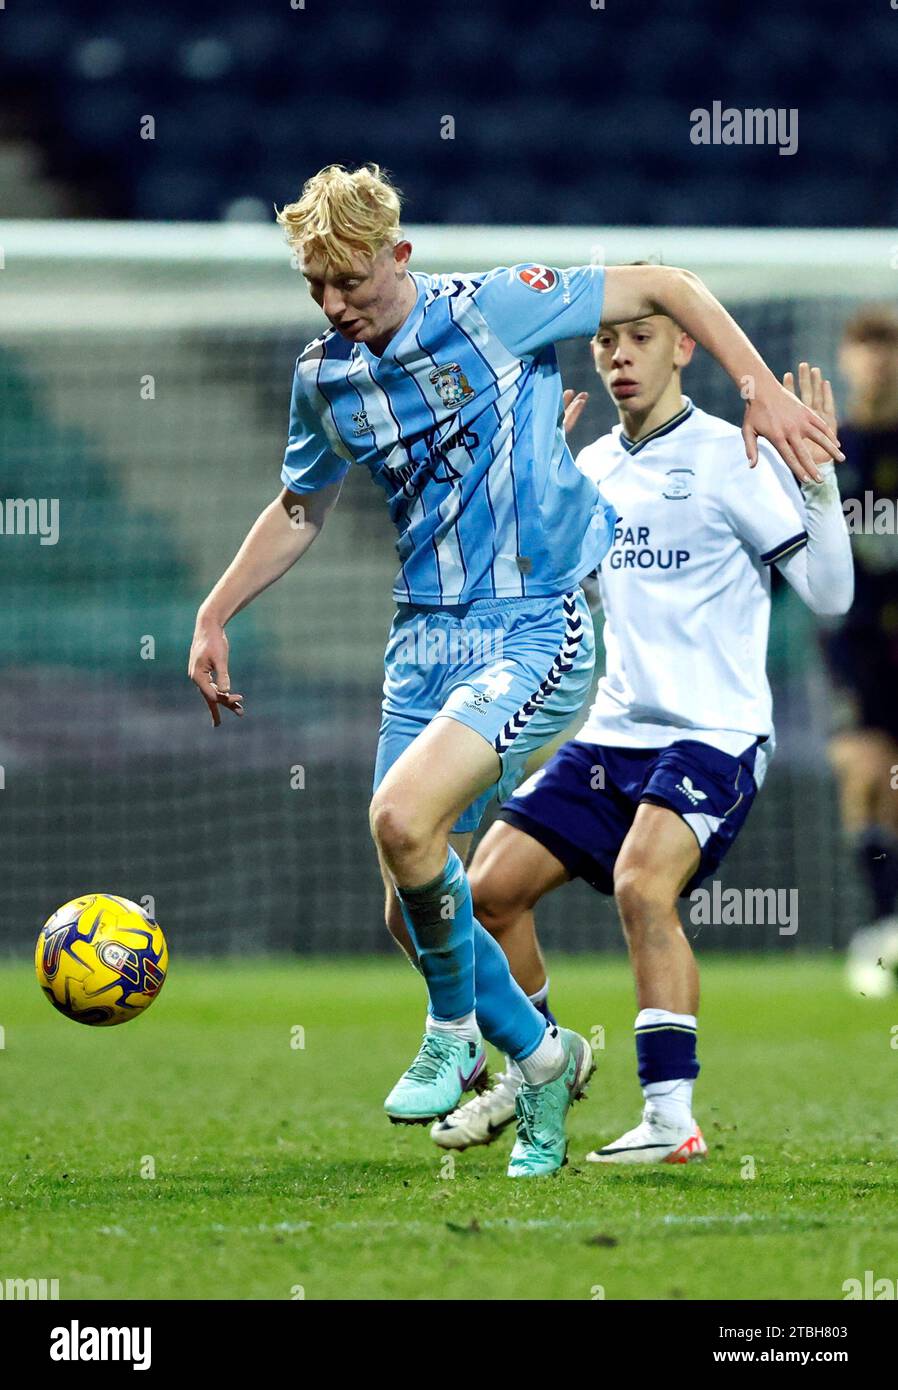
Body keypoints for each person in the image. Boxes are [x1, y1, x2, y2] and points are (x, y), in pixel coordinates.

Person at [188, 163, 841, 1178]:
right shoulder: (325, 376)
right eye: (316, 288)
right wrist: (215, 609)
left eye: (350, 282)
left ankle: (462, 1035)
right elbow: (300, 505)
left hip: (536, 629)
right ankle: (542, 1058)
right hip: (423, 642)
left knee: (407, 825)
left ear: (398, 257)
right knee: (416, 904)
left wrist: (756, 390)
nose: (333, 304)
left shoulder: (499, 306)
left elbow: (668, 286)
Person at [433, 312, 853, 1164]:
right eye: (605, 342)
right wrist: (528, 493)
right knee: (485, 896)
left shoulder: (732, 457)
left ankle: (670, 1117)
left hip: (715, 733)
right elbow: (538, 594)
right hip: (614, 730)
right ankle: (539, 1062)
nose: (620, 356)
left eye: (641, 338)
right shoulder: (590, 467)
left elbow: (832, 595)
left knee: (640, 883)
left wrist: (815, 488)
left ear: (684, 348)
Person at [823, 307, 898, 927]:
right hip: (852, 641)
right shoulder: (829, 450)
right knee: (863, 770)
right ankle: (879, 923)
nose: (878, 361)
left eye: (889, 348)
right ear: (846, 359)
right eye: (866, 347)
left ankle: (890, 921)